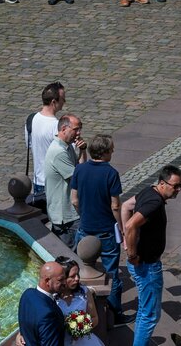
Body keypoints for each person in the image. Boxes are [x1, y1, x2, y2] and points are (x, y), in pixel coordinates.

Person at [121, 165, 181, 346]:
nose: (179, 189)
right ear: (162, 183)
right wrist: (132, 254)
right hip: (147, 265)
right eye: (175, 185)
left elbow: (126, 206)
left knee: (144, 310)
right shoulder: (154, 203)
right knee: (150, 314)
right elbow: (131, 225)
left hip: (143, 263)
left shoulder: (149, 191)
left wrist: (126, 240)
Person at [73, 134, 125, 314]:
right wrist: (120, 226)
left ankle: (84, 310)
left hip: (85, 228)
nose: (113, 152)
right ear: (104, 153)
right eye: (111, 149)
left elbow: (74, 199)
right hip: (106, 231)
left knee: (84, 270)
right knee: (111, 273)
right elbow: (116, 205)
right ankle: (113, 314)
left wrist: (84, 214)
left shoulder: (80, 170)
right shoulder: (111, 173)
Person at [44, 114, 84, 245]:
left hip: (67, 213)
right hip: (66, 216)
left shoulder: (66, 147)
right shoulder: (59, 152)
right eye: (76, 129)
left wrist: (83, 150)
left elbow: (79, 168)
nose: (78, 133)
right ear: (64, 129)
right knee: (72, 255)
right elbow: (79, 178)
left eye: (80, 129)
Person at [25, 81, 66, 206]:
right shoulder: (56, 126)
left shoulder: (31, 119)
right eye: (63, 99)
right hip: (55, 183)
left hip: (38, 181)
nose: (64, 102)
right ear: (54, 102)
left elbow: (29, 145)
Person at [16, 259, 72, 346]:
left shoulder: (27, 294)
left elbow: (27, 323)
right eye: (60, 280)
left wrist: (20, 334)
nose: (65, 282)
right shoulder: (49, 314)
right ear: (47, 281)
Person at [53, 258, 107, 346]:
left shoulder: (84, 292)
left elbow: (94, 318)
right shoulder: (52, 296)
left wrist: (81, 329)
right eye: (72, 276)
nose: (77, 278)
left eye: (78, 274)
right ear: (62, 278)